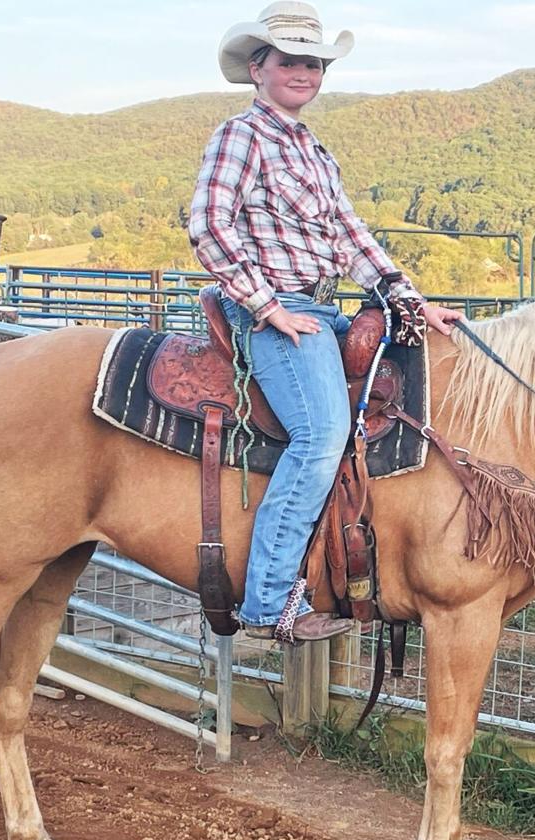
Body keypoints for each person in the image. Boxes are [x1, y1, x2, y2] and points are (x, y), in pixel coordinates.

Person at [189, 2, 462, 643]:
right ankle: (266, 604)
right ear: (258, 69)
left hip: (319, 304)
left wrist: (410, 300)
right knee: (321, 434)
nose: (303, 72)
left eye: (313, 62)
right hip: (277, 311)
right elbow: (208, 224)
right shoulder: (242, 136)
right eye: (289, 61)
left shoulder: (313, 149)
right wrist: (267, 306)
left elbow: (349, 237)